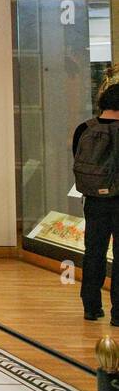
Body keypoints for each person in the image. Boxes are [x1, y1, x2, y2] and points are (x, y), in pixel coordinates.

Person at [72, 82, 119, 325]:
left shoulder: (84, 128)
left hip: (93, 200)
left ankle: (91, 307)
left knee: (94, 252)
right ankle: (118, 314)